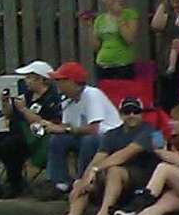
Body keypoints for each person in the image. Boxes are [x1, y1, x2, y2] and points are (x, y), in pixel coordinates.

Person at [48, 97, 163, 215]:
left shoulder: (152, 132)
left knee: (114, 170)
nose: (131, 115)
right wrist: (85, 178)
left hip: (142, 179)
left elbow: (124, 155)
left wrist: (95, 170)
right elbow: (98, 158)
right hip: (113, 180)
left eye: (136, 111)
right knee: (82, 181)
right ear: (120, 114)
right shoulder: (111, 134)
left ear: (141, 114)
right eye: (127, 112)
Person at [37, 62, 119, 198]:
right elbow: (68, 126)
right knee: (58, 139)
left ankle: (83, 182)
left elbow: (94, 128)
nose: (57, 84)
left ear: (72, 82)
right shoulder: (67, 100)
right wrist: (52, 127)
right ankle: (59, 183)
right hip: (85, 136)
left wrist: (63, 130)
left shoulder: (92, 94)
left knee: (89, 141)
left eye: (60, 80)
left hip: (109, 138)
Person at [0, 63, 63, 199]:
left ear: (40, 79)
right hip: (16, 131)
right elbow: (10, 115)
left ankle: (15, 183)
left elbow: (43, 123)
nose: (25, 81)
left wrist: (24, 109)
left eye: (29, 78)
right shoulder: (26, 96)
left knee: (10, 145)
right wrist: (5, 103)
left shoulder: (52, 99)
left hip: (36, 137)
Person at [82, 0, 140, 81]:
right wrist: (89, 27)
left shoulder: (129, 14)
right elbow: (96, 46)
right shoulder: (100, 19)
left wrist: (118, 16)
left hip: (123, 65)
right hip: (103, 65)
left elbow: (129, 39)